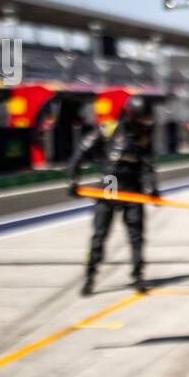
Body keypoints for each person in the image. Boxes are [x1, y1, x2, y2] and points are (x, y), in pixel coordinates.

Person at [67, 96, 158, 295]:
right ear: (133, 116)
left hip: (133, 187)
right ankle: (90, 277)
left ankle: (138, 275)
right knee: (100, 234)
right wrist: (72, 179)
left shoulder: (144, 137)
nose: (146, 122)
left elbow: (148, 166)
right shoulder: (108, 129)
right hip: (111, 183)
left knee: (136, 235)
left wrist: (153, 188)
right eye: (143, 118)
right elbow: (80, 152)